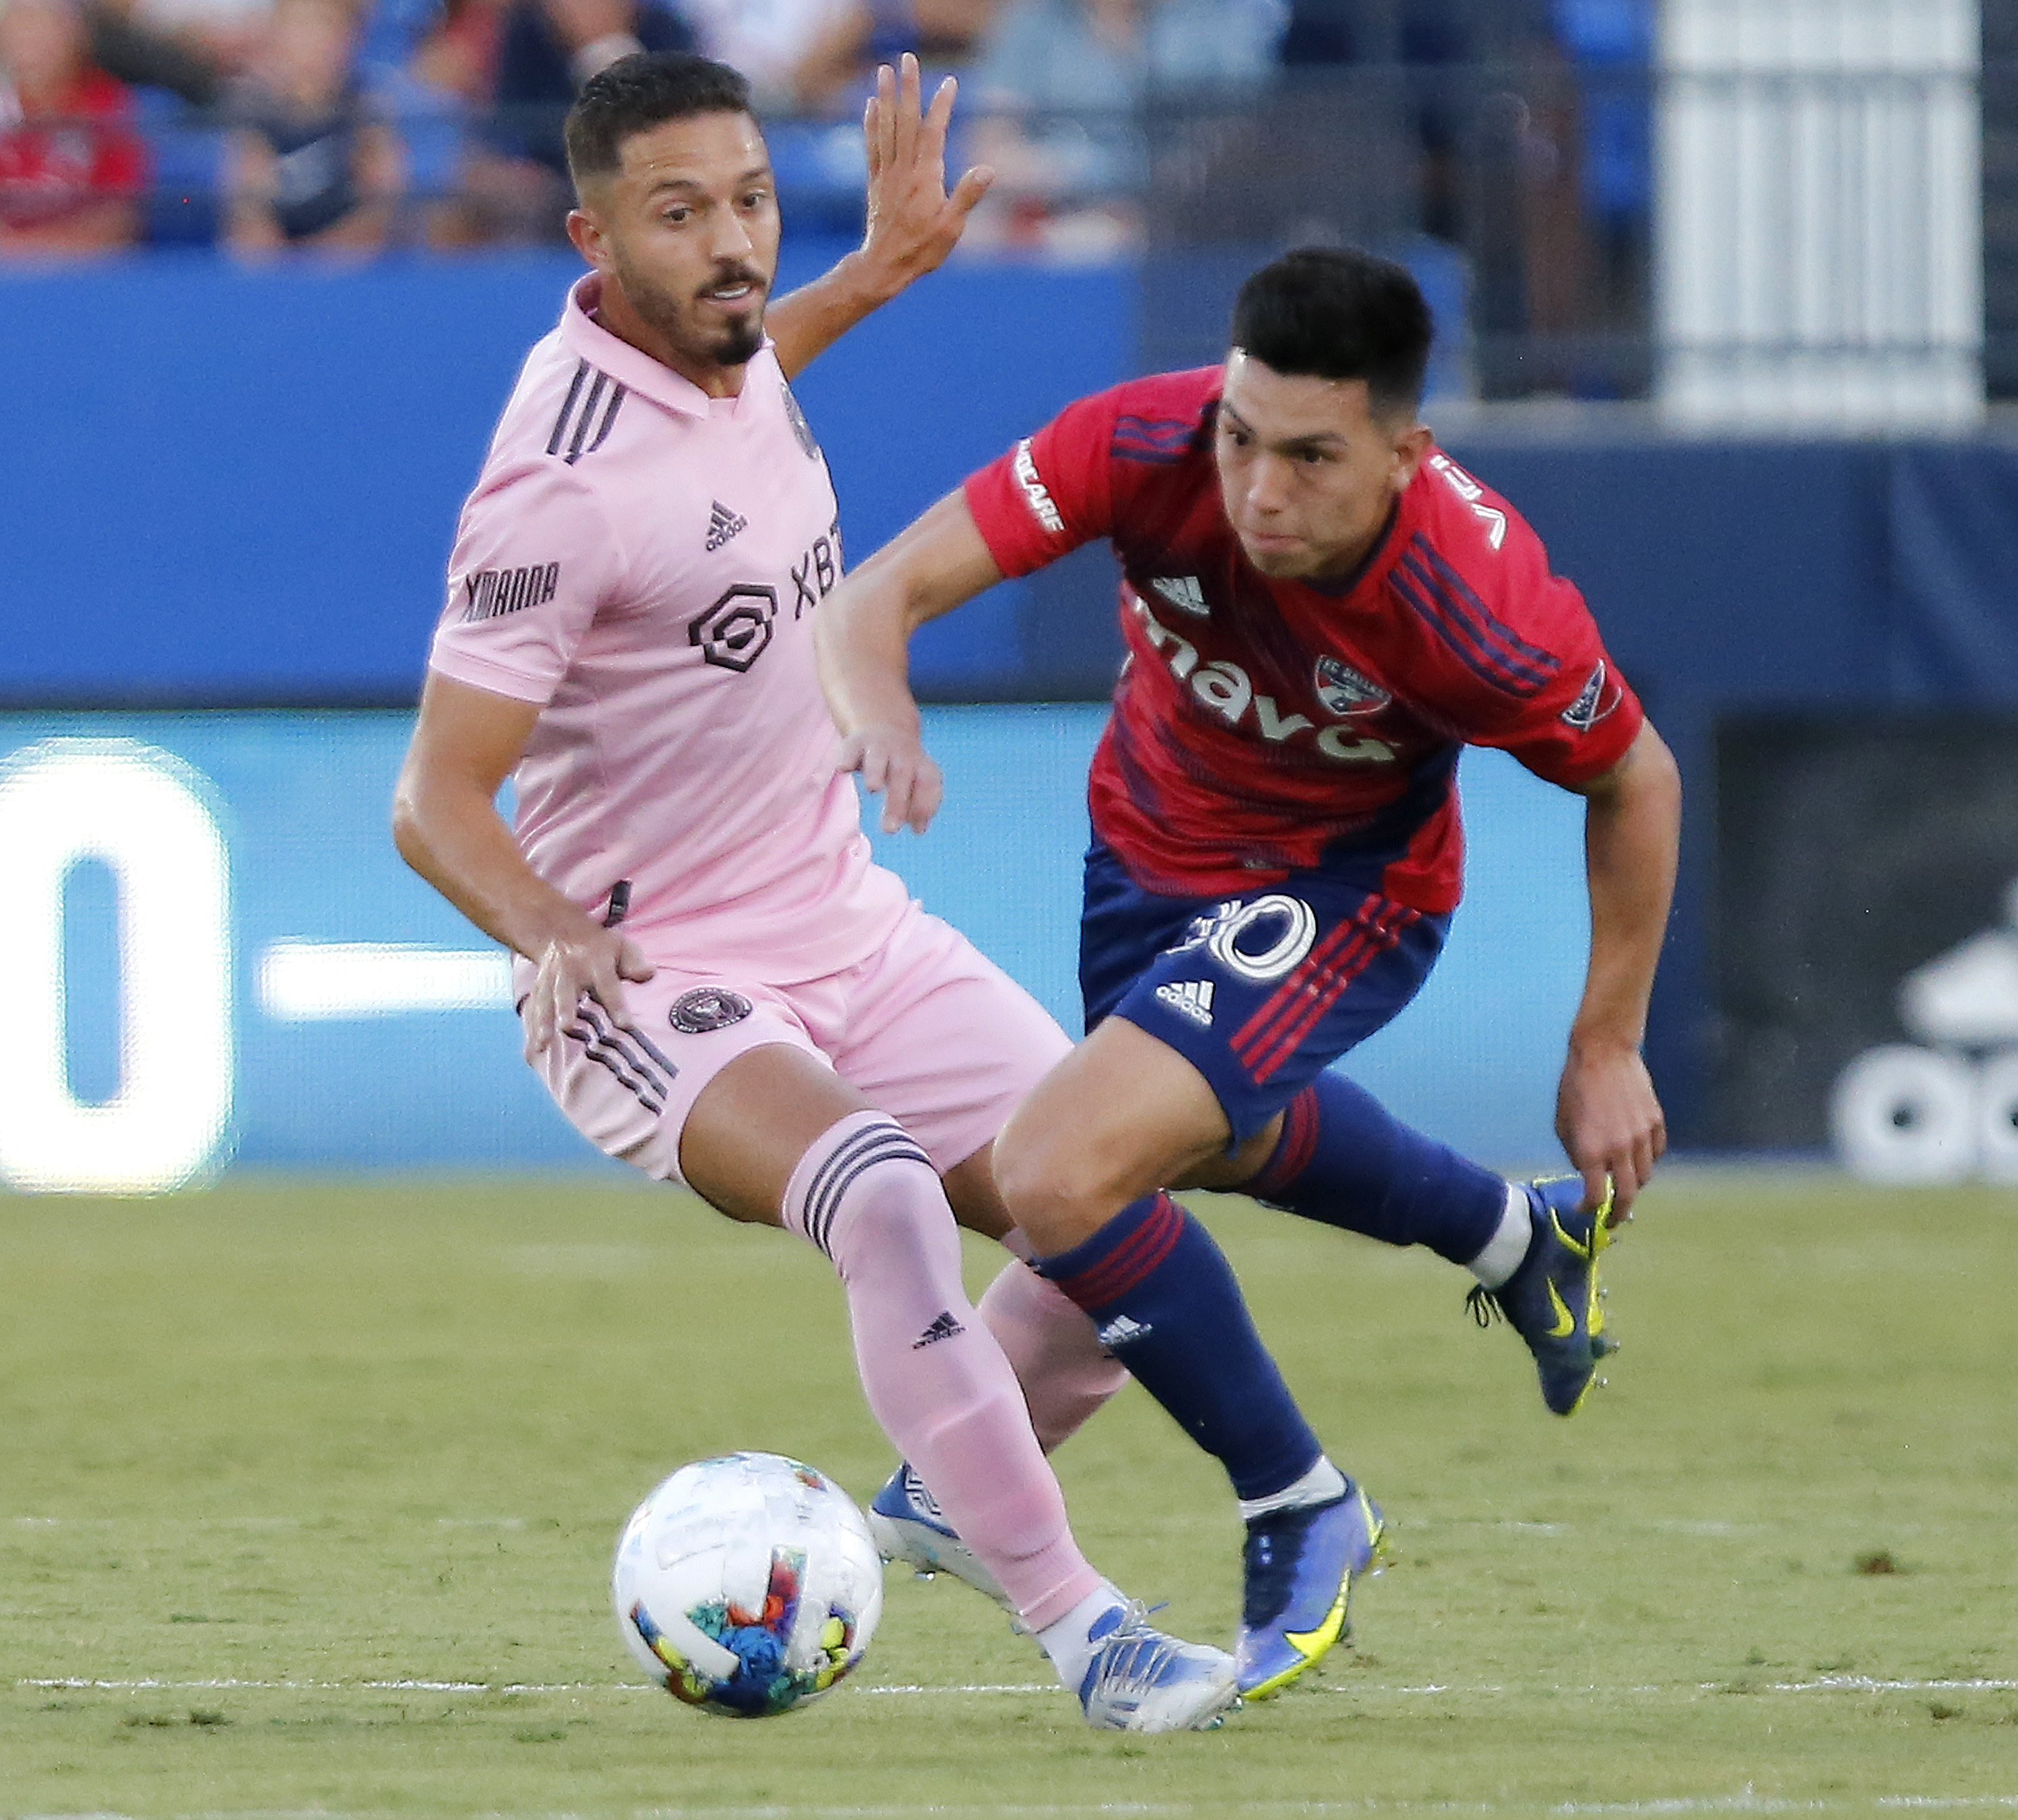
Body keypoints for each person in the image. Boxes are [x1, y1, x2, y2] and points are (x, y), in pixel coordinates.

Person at [391, 48, 1247, 1733]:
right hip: (654, 976)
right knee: (883, 1196)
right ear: (593, 234)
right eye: (679, 212)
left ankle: (942, 1492)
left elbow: (743, 384)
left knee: (1116, 1211)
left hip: (845, 921)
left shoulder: (721, 357)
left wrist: (875, 269)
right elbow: (434, 798)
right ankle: (1086, 1626)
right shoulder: (554, 481)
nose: (730, 243)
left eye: (751, 201)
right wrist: (560, 932)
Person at [816, 244, 1682, 1689]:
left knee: (1059, 1169)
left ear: (1405, 452)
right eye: (1240, 437)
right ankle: (1517, 1240)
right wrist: (881, 708)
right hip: (1143, 853)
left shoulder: (1480, 608)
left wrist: (1604, 1046)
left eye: (1309, 457)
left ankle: (1301, 1502)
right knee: (1191, 1143)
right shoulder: (1141, 441)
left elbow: (1635, 778)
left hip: (1349, 888)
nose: (1259, 488)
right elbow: (873, 597)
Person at [224, 0, 404, 255]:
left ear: (350, 38)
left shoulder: (366, 108)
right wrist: (277, 255)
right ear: (277, 36)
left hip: (348, 260)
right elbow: (248, 205)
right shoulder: (256, 109)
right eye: (299, 27)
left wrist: (331, 251)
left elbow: (381, 204)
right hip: (278, 264)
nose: (312, 40)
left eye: (325, 26)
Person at [0, 0, 147, 258]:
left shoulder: (108, 106)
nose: (30, 41)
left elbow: (119, 220)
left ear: (75, 37)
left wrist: (34, 251)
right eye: (21, 27)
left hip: (82, 273)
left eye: (42, 27)